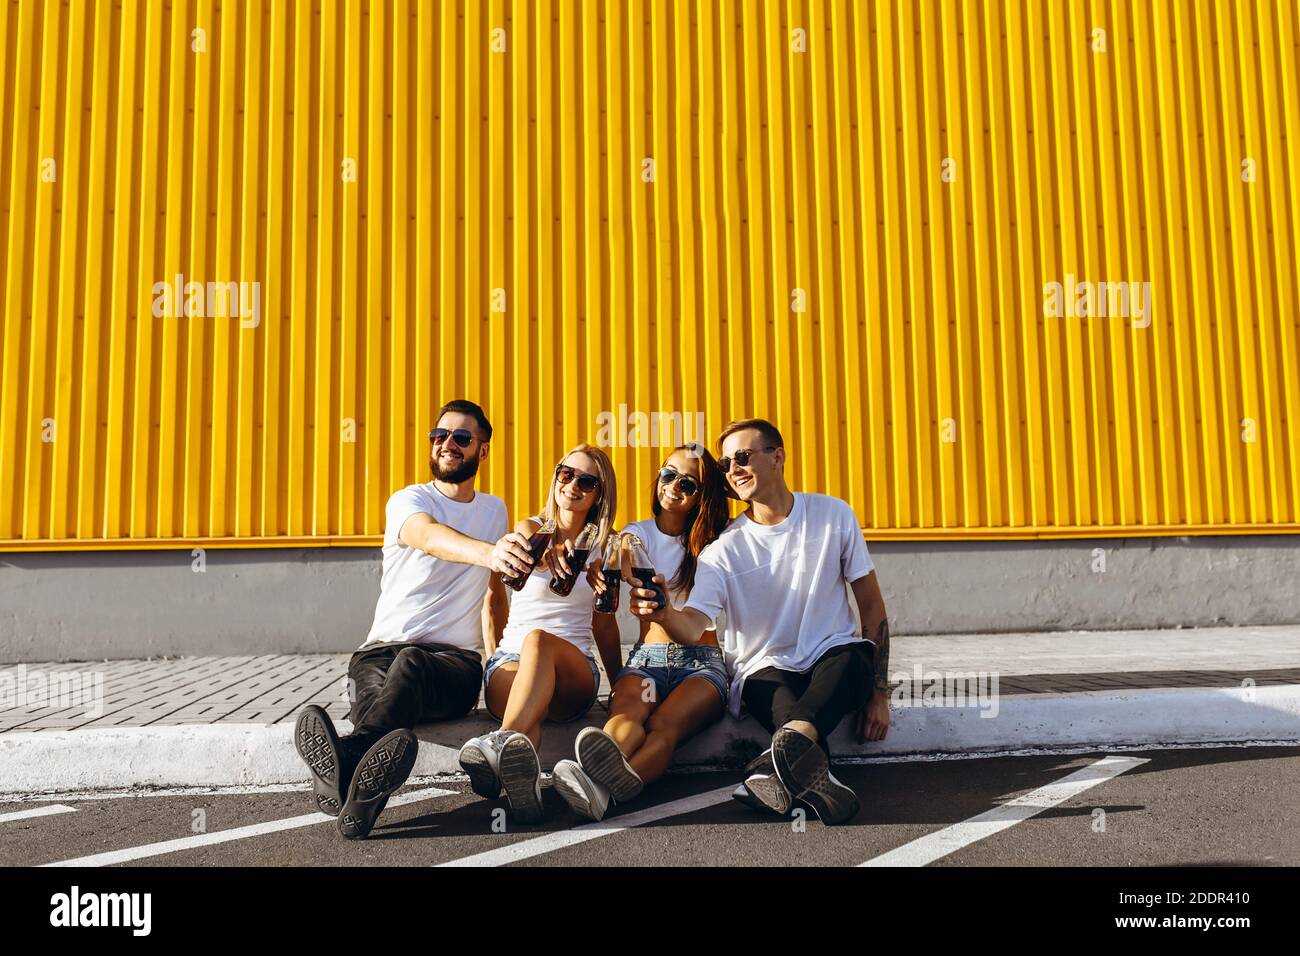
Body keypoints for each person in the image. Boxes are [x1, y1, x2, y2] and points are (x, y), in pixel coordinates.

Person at [293, 399, 537, 839]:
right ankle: (358, 805)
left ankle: (345, 759)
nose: (447, 444)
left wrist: (501, 662)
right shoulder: (408, 500)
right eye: (439, 436)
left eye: (461, 437)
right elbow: (427, 537)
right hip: (375, 655)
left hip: (453, 666)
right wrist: (490, 552)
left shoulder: (493, 510)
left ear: (482, 451)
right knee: (382, 708)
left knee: (411, 664)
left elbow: (491, 598)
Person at [629, 418, 891, 825]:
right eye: (726, 464)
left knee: (854, 656)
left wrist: (879, 694)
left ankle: (775, 767)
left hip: (831, 658)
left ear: (778, 457)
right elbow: (694, 625)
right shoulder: (722, 551)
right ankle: (791, 769)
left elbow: (872, 608)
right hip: (763, 672)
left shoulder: (833, 515)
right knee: (797, 724)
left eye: (743, 457)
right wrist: (664, 613)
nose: (733, 469)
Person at [548, 443, 731, 821]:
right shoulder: (636, 534)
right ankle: (596, 781)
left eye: (688, 484)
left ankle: (599, 790)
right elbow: (623, 552)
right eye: (668, 474)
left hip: (701, 664)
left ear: (703, 496)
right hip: (648, 659)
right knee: (629, 714)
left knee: (665, 727)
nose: (673, 486)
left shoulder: (717, 542)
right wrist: (606, 568)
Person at [458, 443, 622, 823]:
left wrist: (619, 686)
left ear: (600, 494)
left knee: (538, 640)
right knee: (527, 660)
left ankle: (499, 742)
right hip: (510, 666)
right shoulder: (530, 530)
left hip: (573, 671)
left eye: (586, 481)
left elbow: (604, 624)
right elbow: (494, 602)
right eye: (565, 473)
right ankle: (523, 781)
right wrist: (490, 656)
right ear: (555, 476)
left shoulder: (606, 548)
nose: (572, 485)